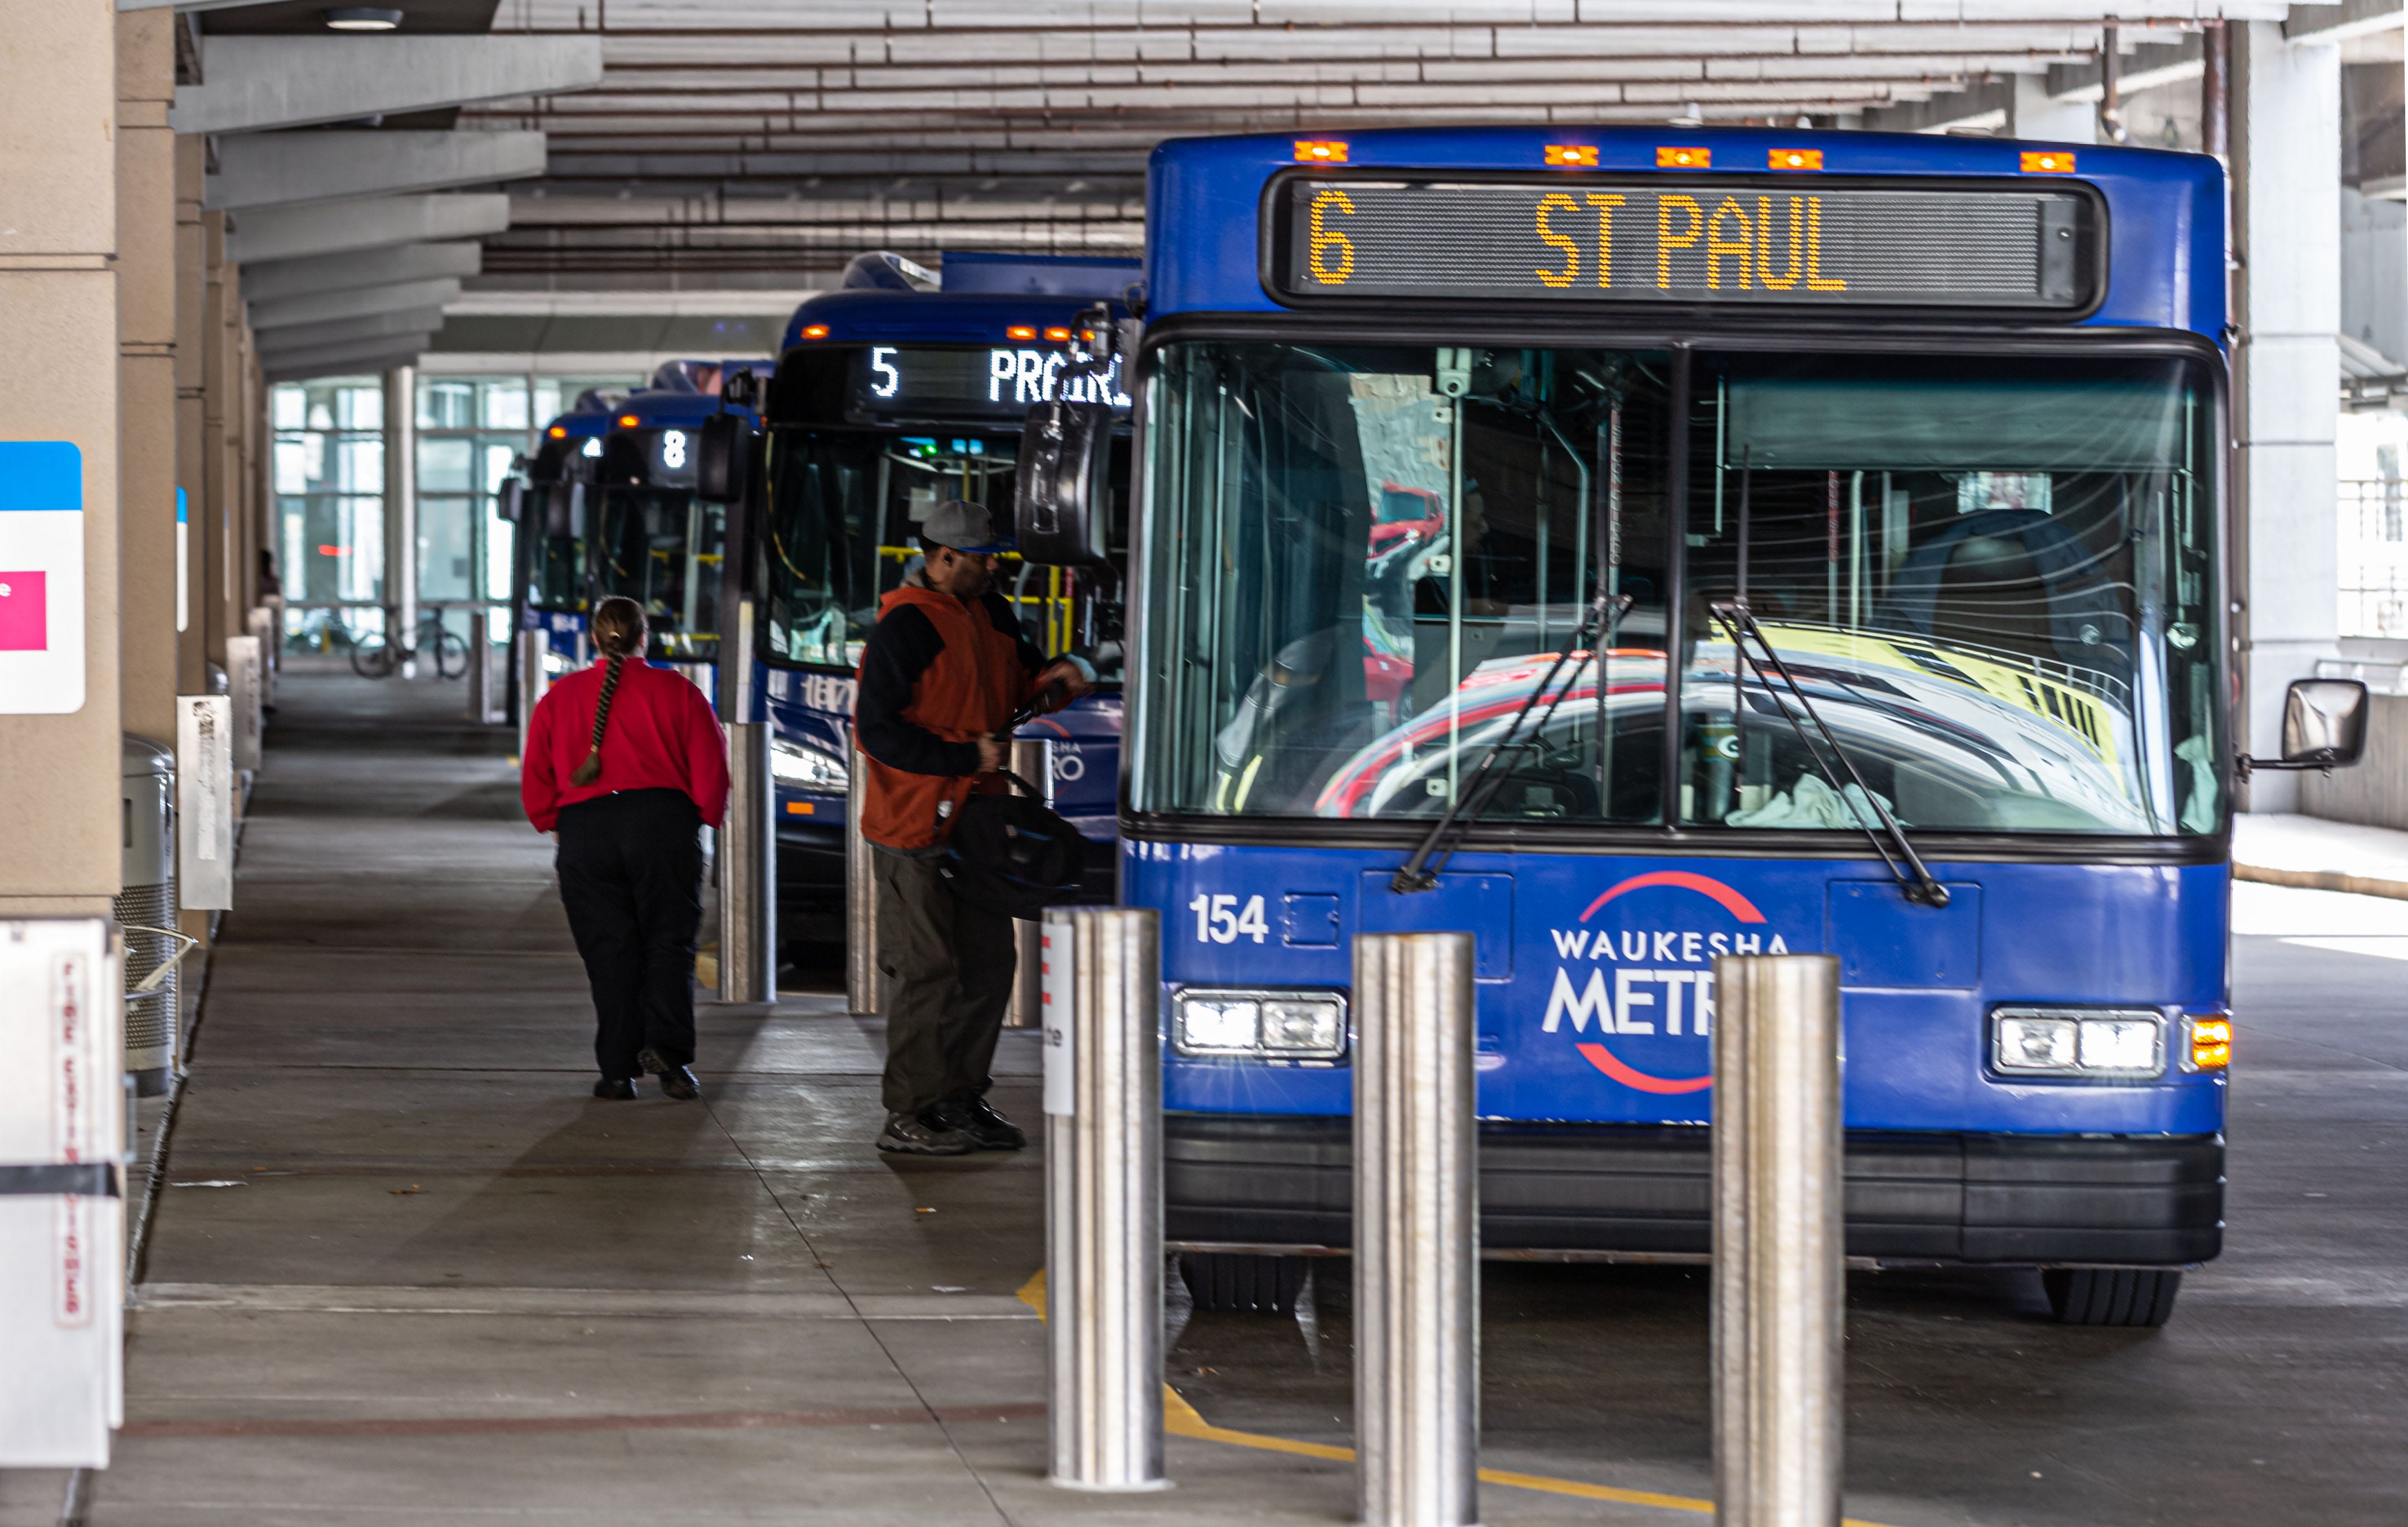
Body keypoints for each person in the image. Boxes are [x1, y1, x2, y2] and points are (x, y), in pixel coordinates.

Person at [854, 500, 1092, 1155]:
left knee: (989, 965)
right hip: (913, 828)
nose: (993, 568)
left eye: (994, 557)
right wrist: (964, 756)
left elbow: (1018, 683)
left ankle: (959, 1098)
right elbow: (874, 733)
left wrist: (1055, 681)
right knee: (927, 968)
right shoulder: (904, 626)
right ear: (942, 558)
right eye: (982, 558)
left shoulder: (989, 612)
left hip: (976, 822)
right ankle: (909, 1110)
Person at [521, 596, 730, 1101]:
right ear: (645, 638)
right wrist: (700, 819)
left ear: (594, 638)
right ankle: (672, 1062)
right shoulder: (680, 693)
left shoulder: (559, 697)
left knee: (609, 953)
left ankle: (617, 1072)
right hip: (662, 827)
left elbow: (536, 782)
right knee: (668, 946)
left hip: (587, 833)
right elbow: (712, 775)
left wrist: (557, 822)